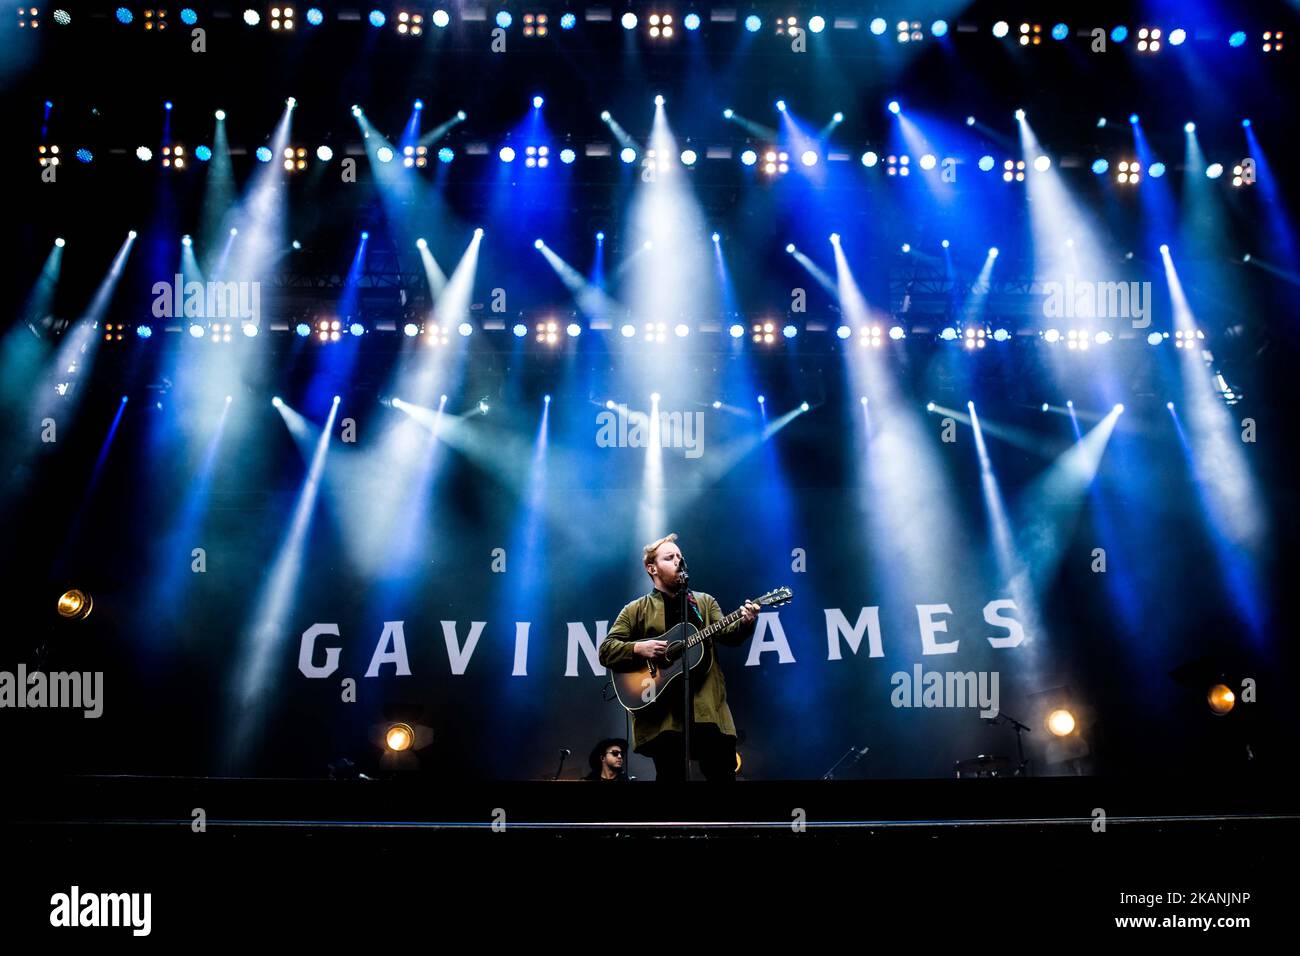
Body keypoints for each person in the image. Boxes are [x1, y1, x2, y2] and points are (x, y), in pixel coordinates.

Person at [598, 533, 759, 781]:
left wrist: (746, 623)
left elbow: (729, 635)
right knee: (671, 785)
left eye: (680, 557)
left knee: (723, 778)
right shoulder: (636, 610)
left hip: (707, 711)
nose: (678, 561)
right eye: (670, 557)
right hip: (664, 718)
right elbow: (606, 650)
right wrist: (640, 649)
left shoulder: (704, 602)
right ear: (652, 568)